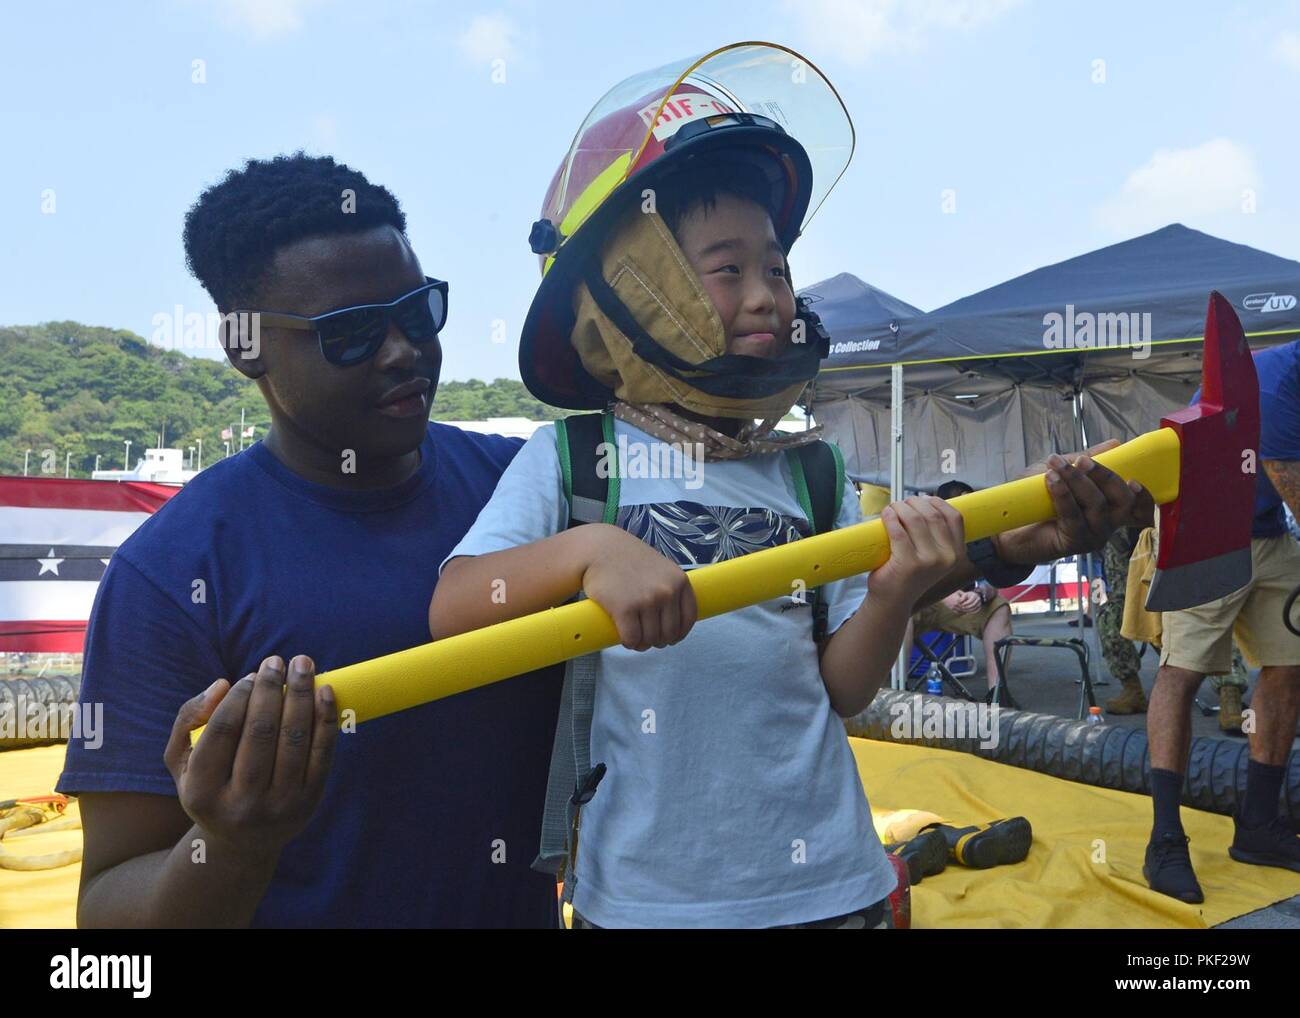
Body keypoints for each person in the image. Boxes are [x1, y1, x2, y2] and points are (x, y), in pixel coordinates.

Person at [427, 45, 1154, 928]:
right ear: (628, 293)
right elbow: (455, 610)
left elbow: (842, 690)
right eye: (726, 269)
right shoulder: (577, 462)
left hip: (833, 883)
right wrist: (589, 552)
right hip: (653, 901)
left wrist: (896, 589)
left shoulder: (811, 472)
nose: (769, 294)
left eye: (776, 267)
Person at [56, 154, 563, 927]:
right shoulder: (172, 574)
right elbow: (107, 911)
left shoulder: (525, 490)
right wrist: (232, 845)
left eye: (418, 311)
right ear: (244, 343)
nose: (403, 351)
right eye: (352, 333)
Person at [1143, 337, 1300, 903]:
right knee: (1182, 671)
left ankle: (1258, 826)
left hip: (1267, 529)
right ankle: (1164, 839)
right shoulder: (1280, 378)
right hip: (1205, 523)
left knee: (1289, 663)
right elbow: (1289, 475)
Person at [1099, 527, 1249, 731]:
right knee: (1108, 616)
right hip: (1146, 582)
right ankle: (1131, 689)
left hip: (1183, 552)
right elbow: (1121, 592)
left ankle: (1230, 696)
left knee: (1214, 609)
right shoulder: (1119, 537)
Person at [909, 480, 1015, 692]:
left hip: (962, 606)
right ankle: (894, 691)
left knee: (999, 608)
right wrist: (943, 595)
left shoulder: (981, 531)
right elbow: (904, 583)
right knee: (897, 612)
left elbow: (991, 581)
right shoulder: (923, 531)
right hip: (920, 603)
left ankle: (997, 693)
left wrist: (980, 594)